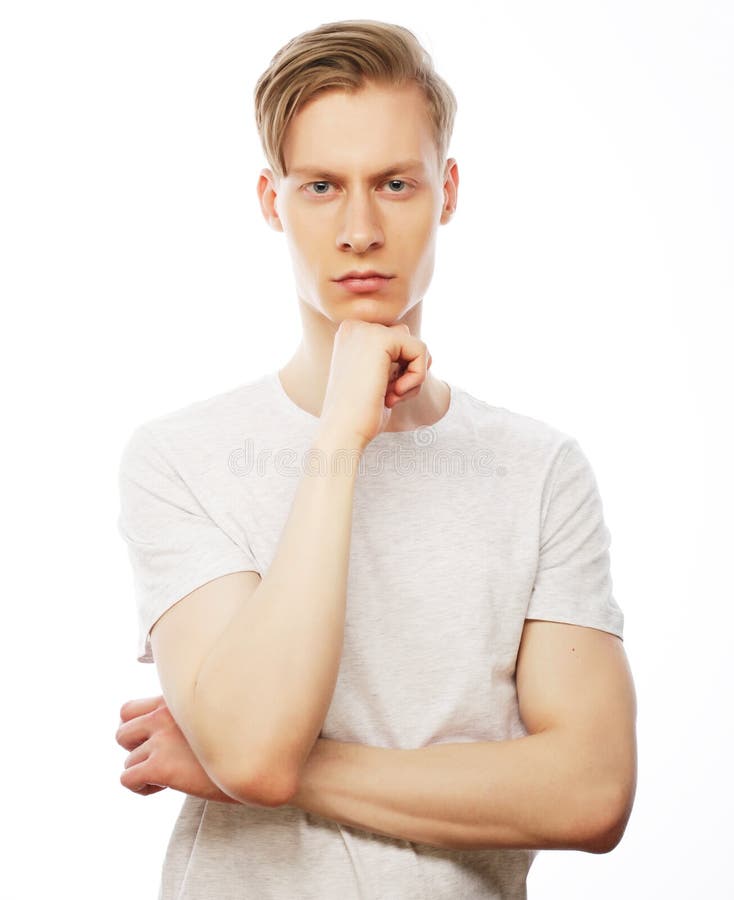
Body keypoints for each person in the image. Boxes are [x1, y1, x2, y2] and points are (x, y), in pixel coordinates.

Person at [114, 18, 637, 900]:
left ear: (448, 191)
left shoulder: (539, 470)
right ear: (272, 201)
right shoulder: (179, 459)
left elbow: (591, 793)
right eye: (321, 185)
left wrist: (280, 771)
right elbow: (253, 748)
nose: (360, 227)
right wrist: (340, 438)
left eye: (395, 183)